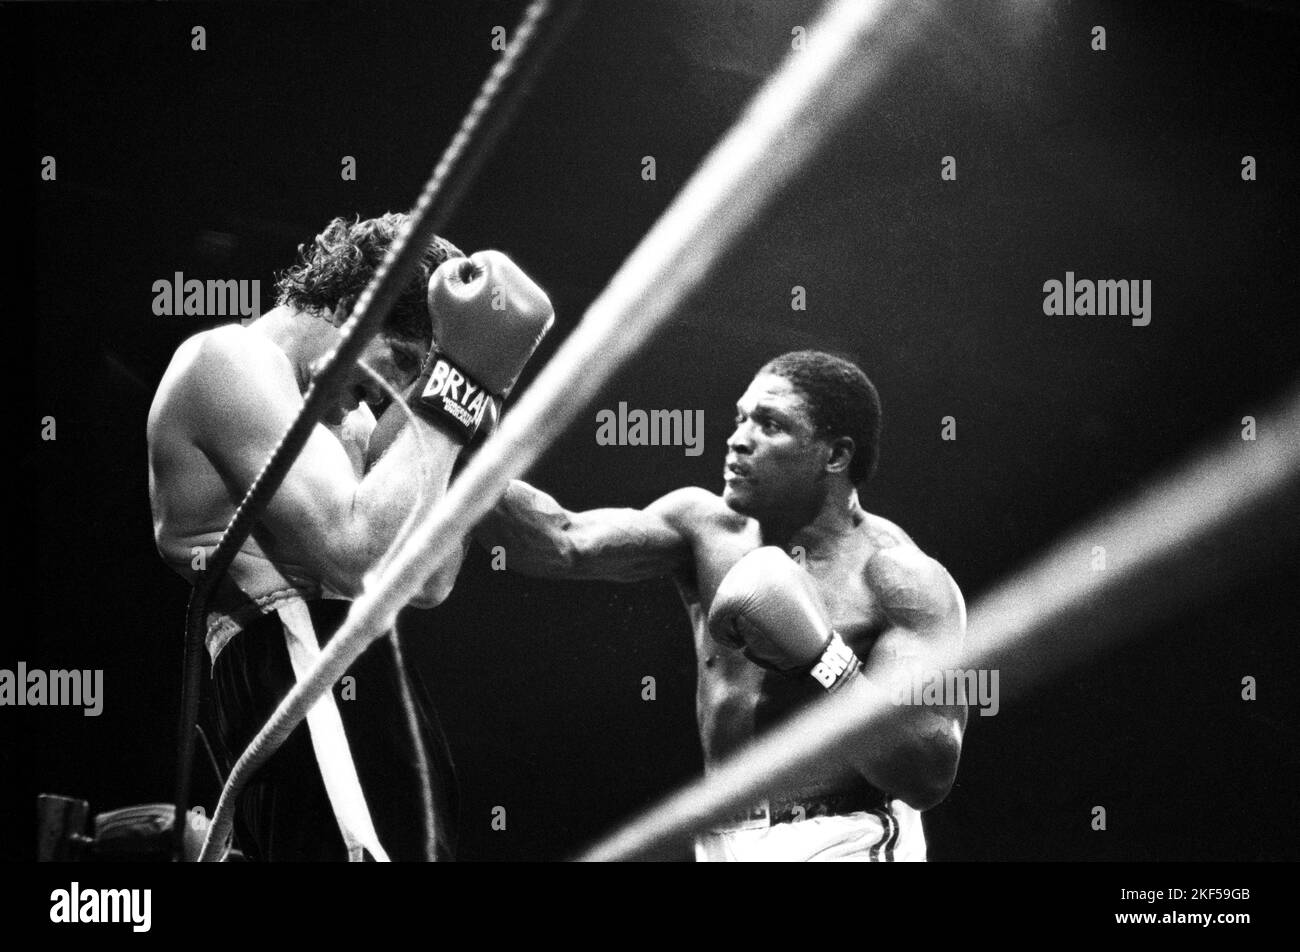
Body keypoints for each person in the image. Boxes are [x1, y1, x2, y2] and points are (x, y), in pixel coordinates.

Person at [147, 213, 553, 860]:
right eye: (405, 365)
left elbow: (428, 583)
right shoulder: (225, 359)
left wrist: (467, 418)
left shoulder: (353, 426)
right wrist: (456, 383)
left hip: (359, 681)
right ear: (351, 306)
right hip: (294, 664)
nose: (396, 394)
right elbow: (352, 557)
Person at [478, 350, 967, 861]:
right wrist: (459, 417)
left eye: (770, 425)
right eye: (741, 419)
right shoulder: (704, 527)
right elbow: (561, 541)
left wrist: (826, 662)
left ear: (835, 456)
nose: (737, 440)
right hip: (722, 841)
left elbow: (927, 775)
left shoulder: (902, 581)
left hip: (845, 839)